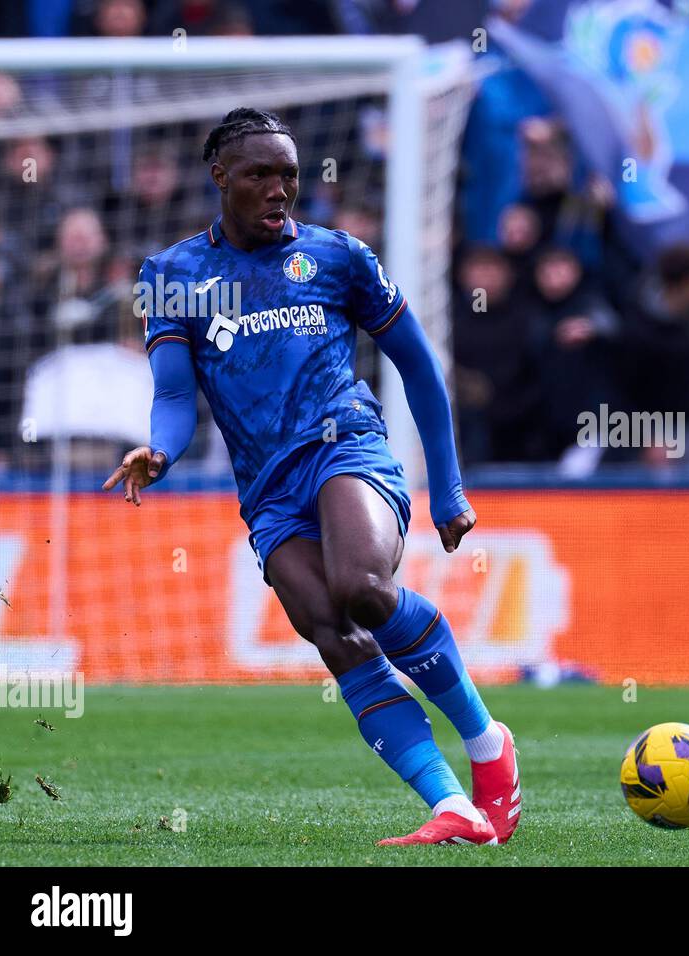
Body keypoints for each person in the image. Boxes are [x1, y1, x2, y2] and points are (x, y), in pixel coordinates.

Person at [102, 109, 522, 846]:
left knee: (361, 588)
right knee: (333, 631)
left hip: (346, 449)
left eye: (288, 175)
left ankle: (489, 745)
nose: (278, 190)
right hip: (267, 490)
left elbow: (419, 366)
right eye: (260, 174)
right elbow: (174, 396)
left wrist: (449, 488)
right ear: (220, 178)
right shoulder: (172, 276)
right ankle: (452, 805)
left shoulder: (338, 258)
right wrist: (160, 453)